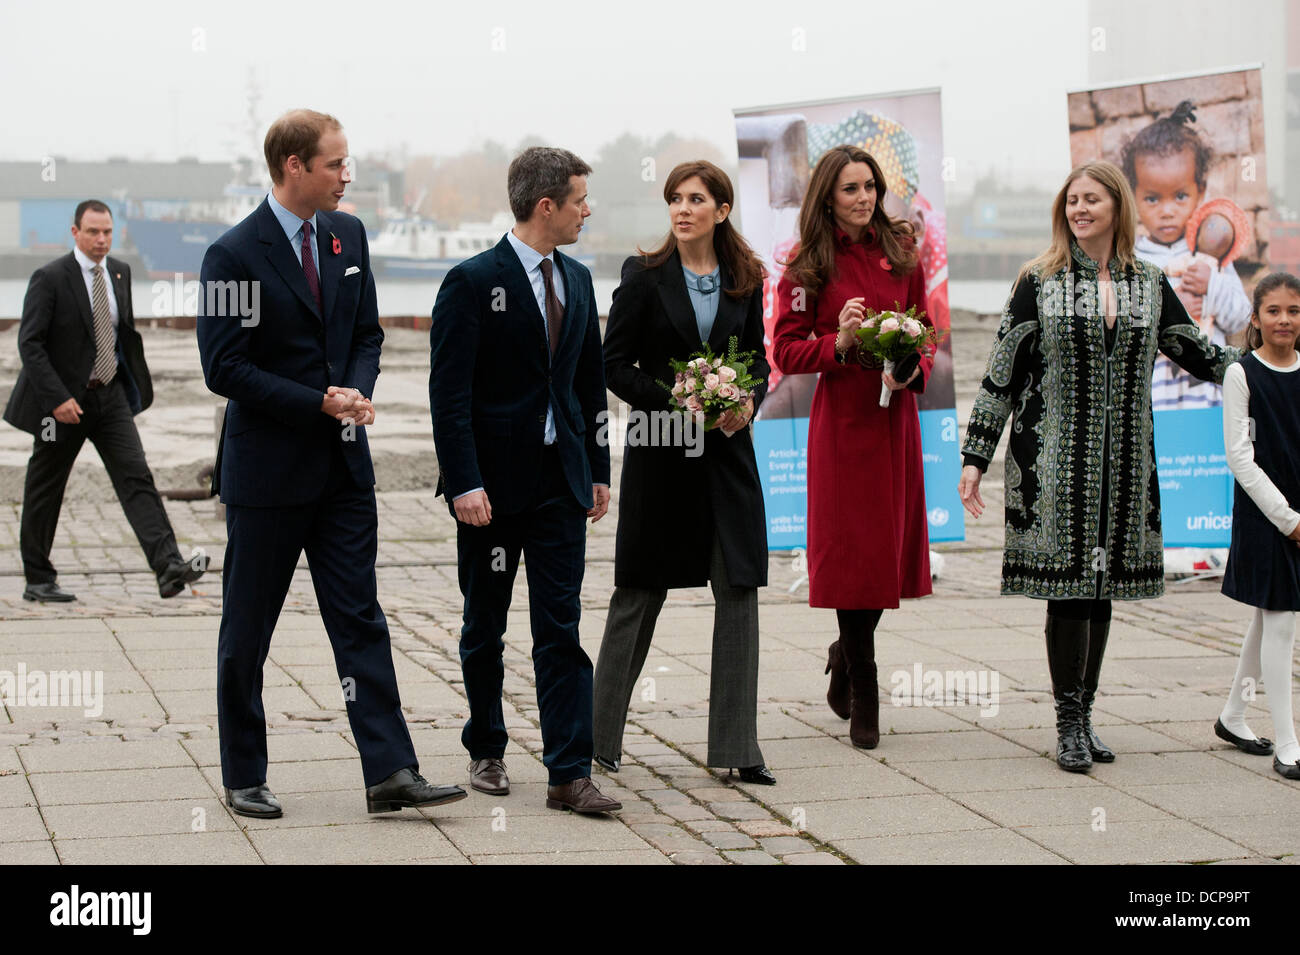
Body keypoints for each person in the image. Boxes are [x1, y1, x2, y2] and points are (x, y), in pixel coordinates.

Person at [198, 109, 464, 819]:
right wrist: (318, 400)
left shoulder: (349, 236)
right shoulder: (231, 255)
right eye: (336, 163)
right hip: (266, 478)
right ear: (294, 166)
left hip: (345, 471)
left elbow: (369, 334)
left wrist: (356, 392)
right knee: (247, 630)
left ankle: (390, 770)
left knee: (360, 619)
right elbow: (224, 368)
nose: (349, 174)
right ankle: (243, 772)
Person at [958, 160, 1240, 774]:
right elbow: (1001, 371)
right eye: (1073, 200)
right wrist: (976, 456)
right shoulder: (1038, 279)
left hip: (1127, 462)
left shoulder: (1149, 282)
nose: (1080, 209)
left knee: (1102, 584)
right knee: (1070, 589)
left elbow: (1192, 349)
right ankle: (1067, 723)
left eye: (1092, 199)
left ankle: (1084, 713)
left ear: (1117, 207)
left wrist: (1261, 368)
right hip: (1053, 463)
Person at [429, 146, 620, 815]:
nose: (586, 211)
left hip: (560, 486)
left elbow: (588, 385)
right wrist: (463, 483)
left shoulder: (581, 280)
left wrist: (598, 469)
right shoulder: (471, 281)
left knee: (559, 628)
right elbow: (448, 396)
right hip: (489, 491)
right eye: (579, 200)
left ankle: (569, 772)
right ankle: (486, 745)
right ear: (547, 206)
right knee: (485, 624)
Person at [592, 160, 774, 784]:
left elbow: (759, 361)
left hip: (728, 459)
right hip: (660, 452)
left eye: (697, 199)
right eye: (674, 199)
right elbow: (613, 365)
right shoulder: (642, 277)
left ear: (722, 210)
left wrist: (746, 401)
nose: (682, 209)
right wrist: (681, 399)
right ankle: (598, 741)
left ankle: (737, 748)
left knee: (739, 590)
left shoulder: (747, 278)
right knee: (639, 591)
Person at [771, 144, 933, 750]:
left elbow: (927, 334)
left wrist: (909, 367)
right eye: (850, 189)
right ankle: (866, 689)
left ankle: (844, 653)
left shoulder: (902, 250)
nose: (863, 198)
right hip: (841, 427)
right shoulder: (807, 264)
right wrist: (836, 344)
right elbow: (785, 350)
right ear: (827, 197)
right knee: (852, 557)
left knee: (884, 556)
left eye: (870, 186)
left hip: (895, 423)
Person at [3, 200, 205, 603]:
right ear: (75, 232)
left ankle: (168, 567)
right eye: (93, 232)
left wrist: (130, 384)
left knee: (137, 477)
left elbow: (120, 334)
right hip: (63, 405)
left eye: (107, 232)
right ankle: (38, 579)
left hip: (109, 398)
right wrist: (57, 398)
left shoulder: (120, 272)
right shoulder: (50, 277)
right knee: (46, 487)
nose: (101, 240)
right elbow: (31, 344)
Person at [1214, 272, 1300, 780]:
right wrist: (1288, 520)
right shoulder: (1241, 374)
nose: (1284, 319)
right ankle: (1288, 743)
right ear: (1255, 318)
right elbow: (1240, 459)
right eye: (1274, 311)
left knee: (1267, 619)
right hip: (1266, 516)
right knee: (1283, 618)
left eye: (1293, 310)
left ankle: (1233, 715)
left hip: (1299, 515)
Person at [1119, 100, 1251, 411]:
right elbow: (1118, 326)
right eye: (1152, 198)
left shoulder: (1210, 257)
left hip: (1206, 390)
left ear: (1200, 190)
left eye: (1180, 196)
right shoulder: (1130, 258)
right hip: (1152, 393)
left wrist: (1212, 288)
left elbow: (1242, 317)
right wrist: (1171, 310)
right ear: (1133, 194)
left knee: (1203, 455)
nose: (1167, 211)